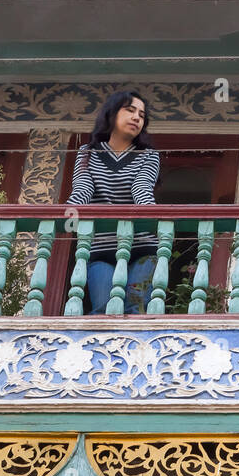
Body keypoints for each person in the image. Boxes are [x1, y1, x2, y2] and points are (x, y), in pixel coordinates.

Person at [67, 91, 162, 314]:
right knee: (103, 308)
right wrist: (63, 214)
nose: (137, 117)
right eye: (129, 110)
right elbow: (82, 191)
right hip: (100, 249)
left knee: (135, 307)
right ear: (111, 113)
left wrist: (156, 216)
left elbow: (141, 191)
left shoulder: (148, 155)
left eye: (141, 115)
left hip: (142, 248)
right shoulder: (87, 153)